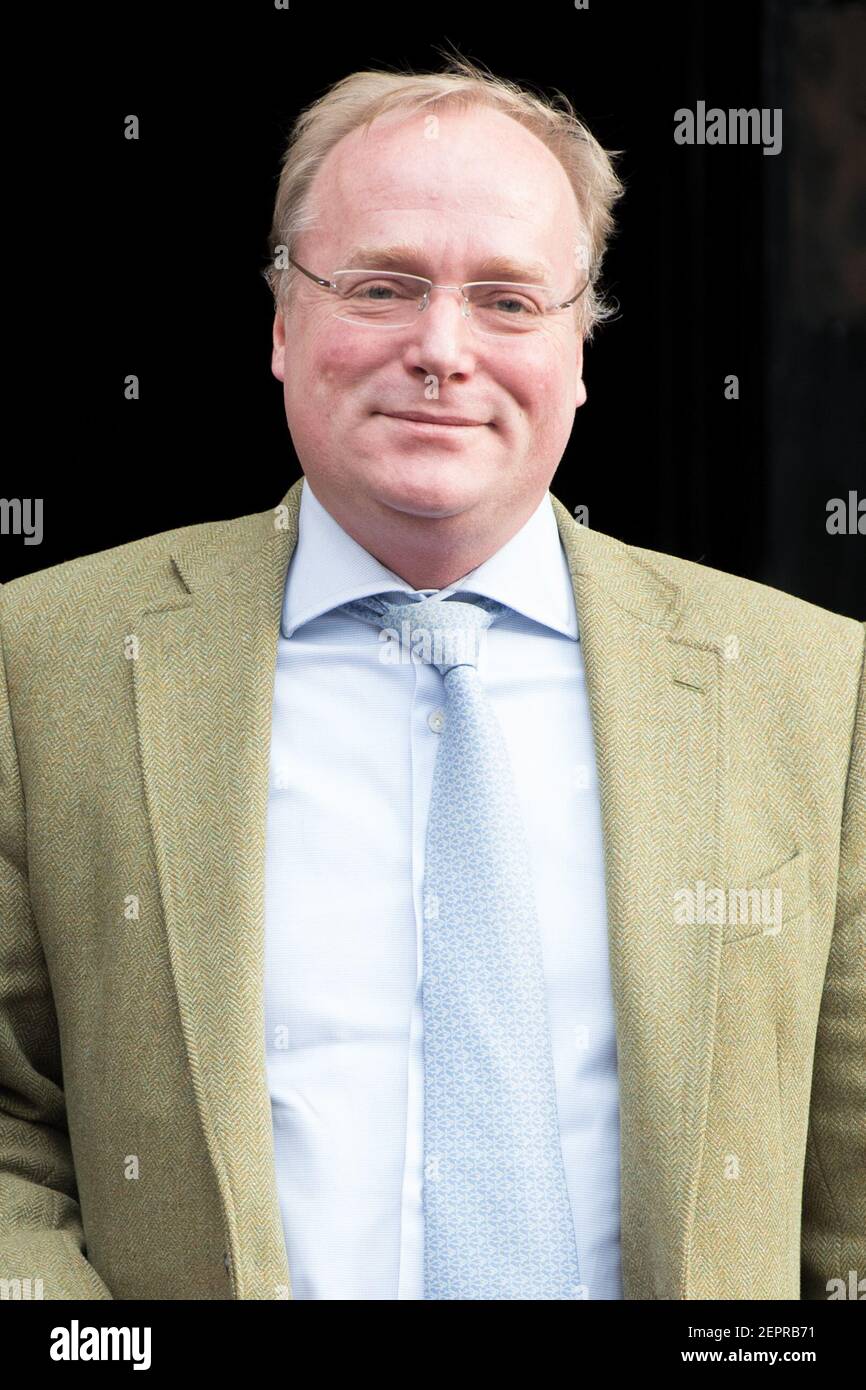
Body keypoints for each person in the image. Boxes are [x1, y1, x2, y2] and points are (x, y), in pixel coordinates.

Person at [1, 53, 863, 1301]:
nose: (440, 348)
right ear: (284, 325)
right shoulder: (48, 660)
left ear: (578, 347)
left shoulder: (802, 684)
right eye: (382, 285)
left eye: (508, 301)